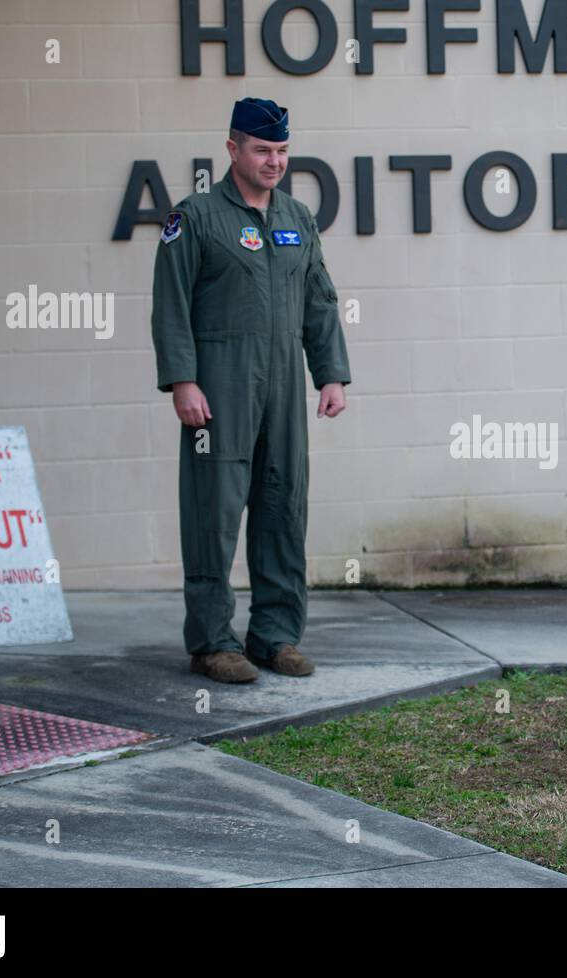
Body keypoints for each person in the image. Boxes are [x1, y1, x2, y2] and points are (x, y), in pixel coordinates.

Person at [151, 97, 351, 684]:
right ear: (232, 148)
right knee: (213, 512)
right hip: (221, 386)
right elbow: (171, 304)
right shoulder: (195, 217)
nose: (275, 161)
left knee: (283, 507)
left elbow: (320, 298)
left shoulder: (297, 218)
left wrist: (331, 373)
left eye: (283, 150)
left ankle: (275, 636)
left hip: (285, 387)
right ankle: (213, 640)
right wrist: (182, 379)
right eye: (263, 149)